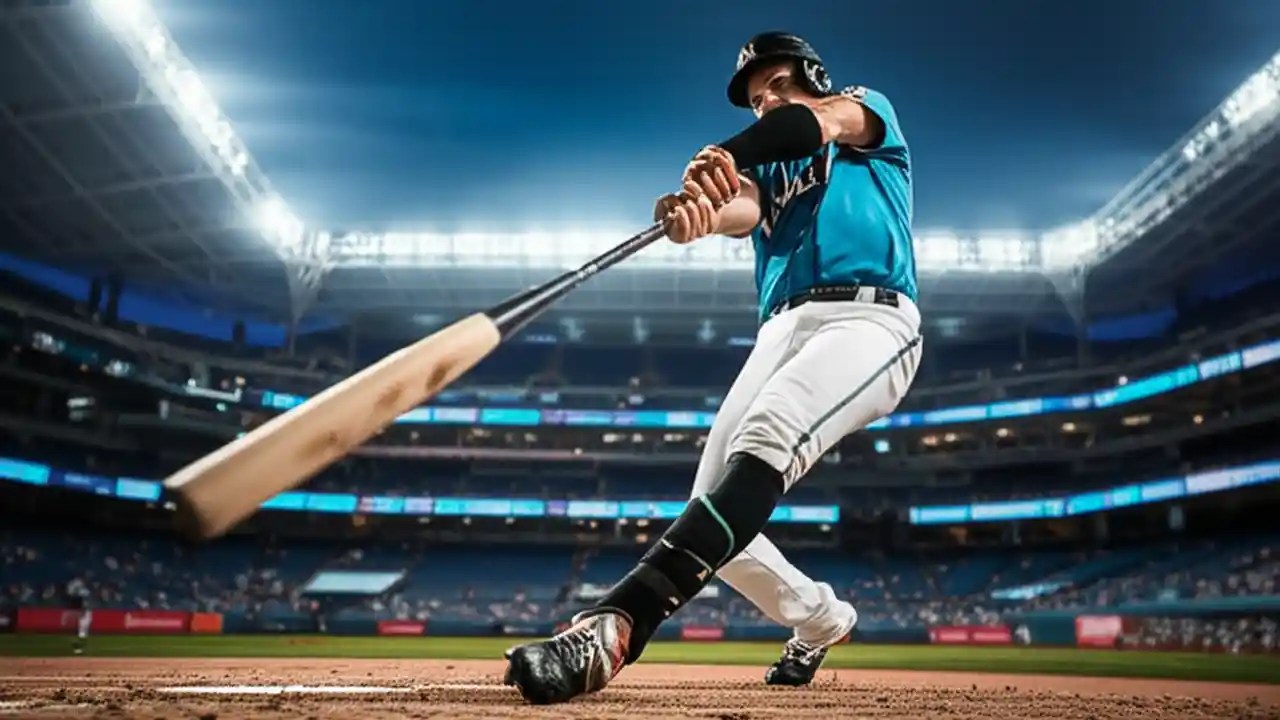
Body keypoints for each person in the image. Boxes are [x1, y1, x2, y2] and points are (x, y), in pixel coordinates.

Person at [503, 30, 923, 705]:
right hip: (779, 329)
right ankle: (821, 618)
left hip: (870, 319)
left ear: (812, 75)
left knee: (769, 431)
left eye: (777, 85)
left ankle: (620, 621)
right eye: (756, 99)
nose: (766, 103)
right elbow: (741, 208)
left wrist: (726, 152)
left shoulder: (861, 109)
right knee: (715, 519)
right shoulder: (766, 166)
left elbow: (810, 126)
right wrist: (690, 211)